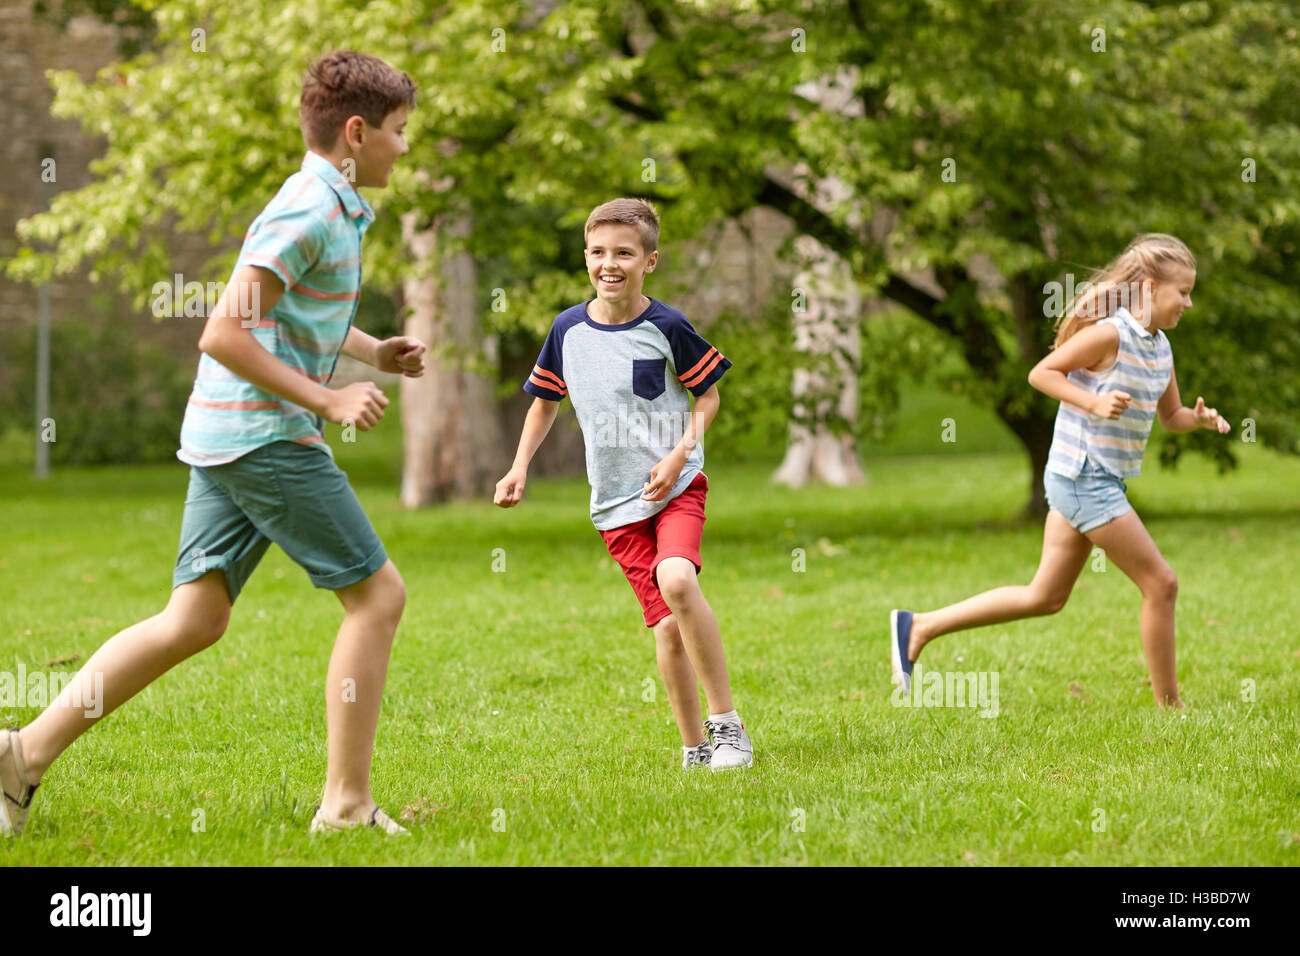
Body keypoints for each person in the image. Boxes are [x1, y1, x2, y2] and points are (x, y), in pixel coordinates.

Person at [1, 51, 426, 837]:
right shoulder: (310, 209)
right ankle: (345, 804)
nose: (407, 148)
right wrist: (328, 397)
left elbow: (289, 319)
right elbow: (225, 331)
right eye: (401, 133)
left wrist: (370, 354)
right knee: (378, 596)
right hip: (263, 436)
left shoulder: (327, 203)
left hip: (226, 434)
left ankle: (21, 757)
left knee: (193, 619)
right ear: (357, 132)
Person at [890, 233, 1230, 708]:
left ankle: (918, 626)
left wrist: (1199, 419)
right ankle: (1170, 708)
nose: (1189, 303)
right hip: (1083, 476)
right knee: (1161, 583)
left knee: (1045, 597)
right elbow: (1042, 373)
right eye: (1184, 292)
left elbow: (1170, 418)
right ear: (1150, 288)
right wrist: (1093, 401)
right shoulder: (1110, 334)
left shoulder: (1160, 348)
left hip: (1094, 478)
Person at [494, 198, 753, 770]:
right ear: (586, 257)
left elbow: (706, 394)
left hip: (676, 485)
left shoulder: (667, 325)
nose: (609, 263)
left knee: (678, 579)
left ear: (650, 260)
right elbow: (543, 404)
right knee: (664, 629)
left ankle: (728, 727)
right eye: (598, 252)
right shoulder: (567, 330)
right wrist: (518, 467)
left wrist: (680, 451)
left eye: (624, 253)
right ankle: (695, 750)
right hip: (616, 506)